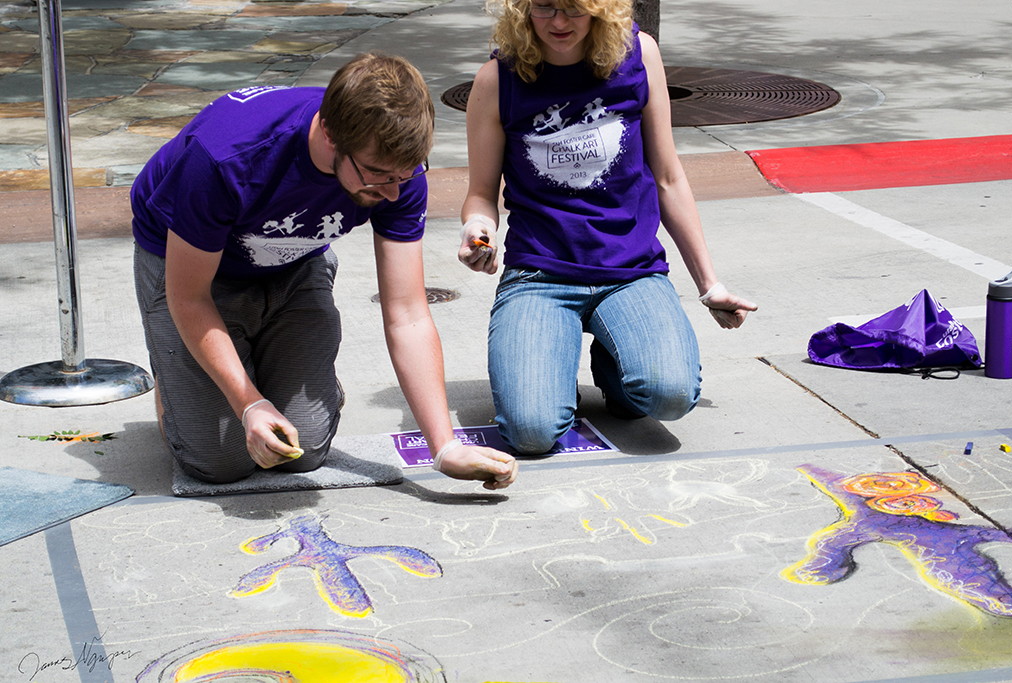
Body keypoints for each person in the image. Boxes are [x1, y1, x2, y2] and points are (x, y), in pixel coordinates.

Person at [131, 52, 517, 490]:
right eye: (377, 175)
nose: (392, 192)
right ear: (330, 135)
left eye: (405, 175)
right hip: (194, 270)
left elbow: (407, 312)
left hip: (294, 259)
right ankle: (180, 381)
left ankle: (273, 363)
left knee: (303, 451)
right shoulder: (226, 157)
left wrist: (444, 446)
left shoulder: (396, 170)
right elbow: (190, 297)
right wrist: (248, 404)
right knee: (219, 462)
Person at [458, 0, 758, 454]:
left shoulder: (639, 54)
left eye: (575, 9)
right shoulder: (496, 79)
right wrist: (478, 227)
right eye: (544, 7)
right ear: (521, 8)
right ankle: (553, 368)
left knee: (667, 396)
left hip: (630, 271)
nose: (559, 22)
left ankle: (612, 358)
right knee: (532, 432)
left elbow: (668, 177)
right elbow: (481, 191)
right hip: (540, 274)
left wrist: (708, 283)